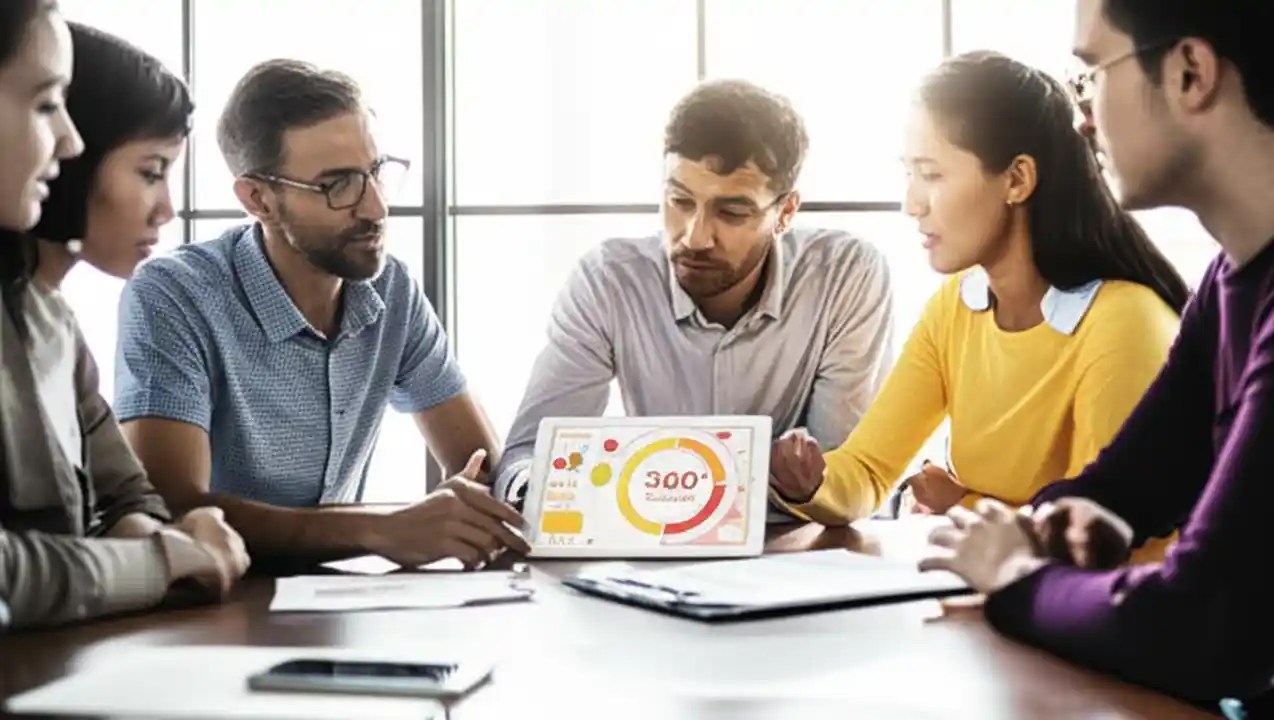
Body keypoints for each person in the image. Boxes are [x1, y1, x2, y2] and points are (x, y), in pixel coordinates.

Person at [921, 0, 1274, 710]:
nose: (1081, 119)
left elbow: (1202, 626)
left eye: (1090, 76)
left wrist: (1018, 576)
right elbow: (1133, 479)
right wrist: (1052, 522)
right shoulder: (1231, 275)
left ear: (1189, 72)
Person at [114, 59, 529, 569]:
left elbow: (481, 465)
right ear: (258, 198)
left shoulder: (391, 289)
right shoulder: (175, 295)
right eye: (338, 186)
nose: (375, 207)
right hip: (213, 607)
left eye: (375, 172)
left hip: (338, 606)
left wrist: (466, 513)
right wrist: (382, 529)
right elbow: (173, 507)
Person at [769, 52, 1188, 554]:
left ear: (1017, 179)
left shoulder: (1124, 323)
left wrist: (962, 505)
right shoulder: (956, 308)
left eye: (932, 174)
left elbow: (1103, 537)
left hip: (1103, 616)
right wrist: (808, 483)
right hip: (1001, 596)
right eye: (910, 173)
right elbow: (867, 470)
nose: (911, 202)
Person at [492, 78, 895, 512]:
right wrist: (533, 491)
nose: (696, 236)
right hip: (650, 542)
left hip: (792, 544)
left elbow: (846, 474)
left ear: (786, 212)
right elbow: (529, 454)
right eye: (679, 200)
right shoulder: (609, 282)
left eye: (732, 212)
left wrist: (809, 483)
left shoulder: (844, 277)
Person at [1, 10, 249, 628]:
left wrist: (166, 542)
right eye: (150, 172)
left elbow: (126, 496)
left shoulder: (56, 322)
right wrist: (160, 562)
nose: (166, 208)